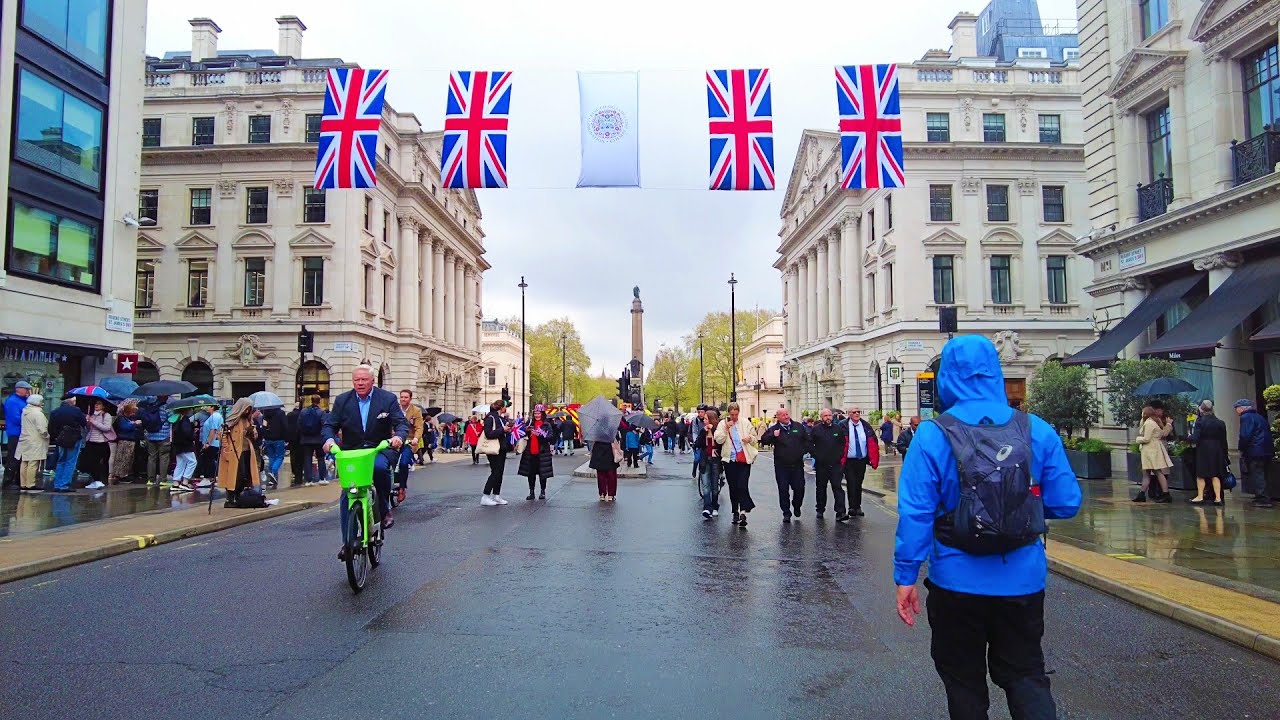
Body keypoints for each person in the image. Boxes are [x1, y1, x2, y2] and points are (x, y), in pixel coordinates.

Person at [894, 335, 1082, 720]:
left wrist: (905, 576)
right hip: (1023, 580)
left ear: (947, 376)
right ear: (995, 373)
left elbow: (916, 514)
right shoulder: (1037, 430)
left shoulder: (932, 434)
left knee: (963, 683)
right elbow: (1067, 502)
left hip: (955, 581)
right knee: (1026, 674)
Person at [322, 365, 408, 560]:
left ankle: (384, 509)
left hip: (379, 448)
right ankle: (348, 542)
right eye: (356, 380)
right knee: (347, 492)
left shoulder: (387, 399)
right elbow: (329, 425)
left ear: (372, 381)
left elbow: (401, 423)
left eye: (364, 380)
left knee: (379, 468)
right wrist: (328, 440)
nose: (360, 383)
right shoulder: (343, 401)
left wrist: (399, 438)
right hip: (352, 452)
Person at [760, 407, 810, 523]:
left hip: (797, 465)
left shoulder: (798, 426)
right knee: (783, 490)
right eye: (783, 415)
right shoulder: (774, 429)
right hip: (781, 466)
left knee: (799, 488)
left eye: (787, 414)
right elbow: (764, 440)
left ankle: (796, 506)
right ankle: (786, 512)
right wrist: (773, 436)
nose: (786, 416)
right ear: (778, 417)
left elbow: (807, 440)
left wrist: (802, 451)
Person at [714, 402, 757, 527]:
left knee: (742, 485)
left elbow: (754, 437)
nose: (734, 417)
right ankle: (735, 511)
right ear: (728, 413)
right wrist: (727, 429)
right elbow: (719, 439)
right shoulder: (723, 424)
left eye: (736, 414)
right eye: (732, 414)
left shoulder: (745, 423)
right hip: (730, 460)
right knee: (733, 487)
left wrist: (750, 438)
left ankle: (743, 511)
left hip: (743, 459)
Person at [217, 398, 261, 507]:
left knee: (245, 475)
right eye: (246, 409)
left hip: (246, 452)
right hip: (234, 452)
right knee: (234, 476)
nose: (247, 412)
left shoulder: (249, 420)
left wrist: (252, 432)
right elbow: (222, 435)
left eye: (249, 409)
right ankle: (230, 499)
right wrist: (226, 449)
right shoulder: (231, 420)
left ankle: (239, 496)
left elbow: (254, 437)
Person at [808, 408, 850, 522]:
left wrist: (839, 455)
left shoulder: (838, 428)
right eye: (825, 415)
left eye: (829, 415)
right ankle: (820, 509)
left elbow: (843, 443)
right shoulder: (816, 429)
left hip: (835, 464)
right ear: (821, 417)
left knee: (837, 487)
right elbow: (810, 444)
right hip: (822, 464)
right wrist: (817, 456)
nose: (828, 417)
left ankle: (841, 512)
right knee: (821, 488)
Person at [1235, 399, 1274, 508]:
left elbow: (1245, 435)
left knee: (1257, 474)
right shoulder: (1259, 416)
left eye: (1237, 408)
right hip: (1266, 450)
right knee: (1264, 474)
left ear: (1242, 408)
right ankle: (1263, 495)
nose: (1236, 411)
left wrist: (1241, 448)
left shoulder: (1245, 417)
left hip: (1255, 451)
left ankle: (1263, 499)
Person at [1190, 400, 1229, 506]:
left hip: (1203, 450)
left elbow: (1196, 438)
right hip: (1217, 450)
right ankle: (1218, 498)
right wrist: (1225, 455)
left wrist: (1188, 437)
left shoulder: (1200, 422)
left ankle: (1200, 496)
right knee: (1215, 474)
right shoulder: (1220, 422)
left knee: (1201, 474)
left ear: (1201, 409)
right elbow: (1224, 440)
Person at [842, 405, 879, 518]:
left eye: (858, 411)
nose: (857, 414)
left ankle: (858, 506)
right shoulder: (843, 425)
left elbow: (873, 440)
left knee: (858, 483)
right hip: (849, 460)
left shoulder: (865, 425)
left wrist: (872, 457)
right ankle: (852, 507)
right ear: (849, 414)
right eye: (854, 412)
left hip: (861, 460)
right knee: (851, 482)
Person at [1135, 405, 1173, 503]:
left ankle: (1166, 494)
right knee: (1147, 473)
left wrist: (1138, 439)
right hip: (1150, 450)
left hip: (1151, 450)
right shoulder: (1152, 422)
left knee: (1157, 471)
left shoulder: (1149, 423)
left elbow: (1146, 438)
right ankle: (1142, 494)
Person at [49, 395, 87, 493]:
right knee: (70, 461)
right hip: (73, 439)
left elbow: (50, 428)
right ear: (72, 402)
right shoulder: (76, 411)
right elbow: (83, 423)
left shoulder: (55, 412)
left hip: (60, 439)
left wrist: (56, 437)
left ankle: (57, 484)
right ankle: (64, 485)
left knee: (61, 461)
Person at [519, 405, 555, 500]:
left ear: (542, 414)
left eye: (538, 413)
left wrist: (539, 435)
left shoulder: (546, 424)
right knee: (531, 473)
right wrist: (526, 431)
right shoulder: (530, 422)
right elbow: (522, 432)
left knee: (542, 473)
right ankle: (531, 492)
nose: (537, 415)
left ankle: (542, 491)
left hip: (542, 452)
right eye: (535, 413)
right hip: (530, 451)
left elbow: (550, 437)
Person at [480, 399, 513, 505]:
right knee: (495, 472)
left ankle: (496, 495)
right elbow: (488, 433)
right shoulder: (490, 417)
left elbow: (502, 431)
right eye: (505, 406)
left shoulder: (500, 418)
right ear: (501, 407)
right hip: (493, 448)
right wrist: (503, 430)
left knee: (500, 472)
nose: (506, 408)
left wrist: (508, 429)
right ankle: (485, 496)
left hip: (501, 448)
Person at [15, 393, 48, 492]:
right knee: (33, 462)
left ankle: (23, 484)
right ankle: (31, 484)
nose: (42, 403)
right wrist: (47, 436)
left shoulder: (25, 411)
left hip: (25, 439)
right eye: (41, 402)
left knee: (24, 461)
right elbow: (42, 429)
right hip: (35, 440)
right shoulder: (38, 414)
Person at [3, 380, 32, 488]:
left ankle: (17, 480)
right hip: (15, 433)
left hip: (22, 433)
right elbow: (15, 418)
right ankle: (8, 481)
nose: (28, 391)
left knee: (21, 458)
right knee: (13, 457)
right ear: (19, 389)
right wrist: (30, 421)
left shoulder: (23, 400)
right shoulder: (12, 401)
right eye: (26, 389)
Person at [81, 399, 115, 490]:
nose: (96, 405)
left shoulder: (106, 415)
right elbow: (88, 429)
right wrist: (87, 422)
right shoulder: (92, 415)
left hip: (101, 442)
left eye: (99, 404)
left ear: (103, 406)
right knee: (90, 462)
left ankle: (99, 480)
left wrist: (93, 422)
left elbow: (106, 428)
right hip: (90, 440)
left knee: (98, 462)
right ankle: (95, 480)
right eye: (95, 404)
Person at [138, 396, 171, 486]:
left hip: (151, 435)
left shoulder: (150, 406)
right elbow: (172, 419)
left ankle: (150, 480)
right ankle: (163, 480)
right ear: (165, 397)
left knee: (151, 458)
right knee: (164, 458)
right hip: (163, 436)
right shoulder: (166, 407)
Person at [397, 391, 423, 501]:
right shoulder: (395, 409)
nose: (403, 399)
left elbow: (419, 428)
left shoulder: (416, 411)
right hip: (395, 439)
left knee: (404, 463)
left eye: (406, 397)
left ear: (410, 399)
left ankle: (402, 488)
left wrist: (416, 439)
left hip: (408, 440)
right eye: (401, 397)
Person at [697, 409, 723, 518]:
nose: (704, 420)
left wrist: (714, 432)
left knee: (714, 485)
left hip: (716, 460)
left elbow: (721, 444)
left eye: (706, 419)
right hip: (705, 460)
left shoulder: (718, 430)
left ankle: (715, 505)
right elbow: (697, 444)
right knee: (706, 485)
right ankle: (707, 508)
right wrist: (704, 432)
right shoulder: (703, 430)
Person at [298, 395, 328, 486]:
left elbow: (299, 424)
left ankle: (309, 480)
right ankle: (322, 478)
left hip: (306, 439)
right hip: (318, 439)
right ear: (319, 401)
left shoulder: (303, 411)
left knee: (307, 458)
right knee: (321, 458)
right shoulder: (321, 412)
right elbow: (324, 425)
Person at [110, 401, 143, 485]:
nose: (133, 414)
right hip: (125, 441)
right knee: (122, 459)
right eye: (132, 412)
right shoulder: (121, 418)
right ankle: (120, 475)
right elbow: (124, 427)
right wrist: (134, 424)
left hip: (131, 440)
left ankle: (124, 474)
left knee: (128, 459)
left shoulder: (129, 418)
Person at [258, 404, 288, 488]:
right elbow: (285, 426)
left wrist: (265, 435)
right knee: (280, 456)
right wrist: (286, 437)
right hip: (279, 438)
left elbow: (264, 426)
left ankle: (272, 477)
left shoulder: (265, 414)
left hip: (268, 439)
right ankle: (273, 472)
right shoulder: (281, 413)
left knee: (271, 457)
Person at [195, 403, 223, 489]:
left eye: (207, 406)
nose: (205, 407)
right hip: (213, 442)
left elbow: (213, 430)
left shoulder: (215, 416)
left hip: (212, 443)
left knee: (207, 460)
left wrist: (208, 443)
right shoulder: (215, 416)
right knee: (209, 461)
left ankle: (207, 478)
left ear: (212, 407)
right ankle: (212, 478)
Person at [591, 434, 621, 501]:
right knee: (611, 475)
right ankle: (611, 495)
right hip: (610, 452)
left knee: (601, 475)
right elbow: (616, 440)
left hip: (599, 453)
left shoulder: (597, 431)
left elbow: (594, 442)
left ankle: (602, 494)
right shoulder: (612, 430)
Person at [690, 406, 709, 479]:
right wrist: (695, 441)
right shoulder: (695, 420)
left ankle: (701, 472)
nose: (700, 414)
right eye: (699, 412)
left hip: (706, 441)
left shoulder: (707, 419)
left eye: (702, 412)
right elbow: (694, 431)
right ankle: (694, 469)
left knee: (703, 459)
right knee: (697, 458)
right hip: (698, 440)